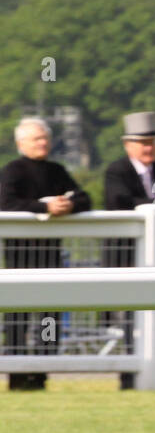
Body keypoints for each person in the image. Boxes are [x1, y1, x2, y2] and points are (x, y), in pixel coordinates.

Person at [0, 117, 92, 390]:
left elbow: (84, 198)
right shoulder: (12, 171)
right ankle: (17, 373)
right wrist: (44, 208)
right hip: (20, 256)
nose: (42, 143)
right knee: (17, 314)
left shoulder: (56, 170)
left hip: (50, 253)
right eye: (36, 139)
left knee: (49, 312)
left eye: (45, 139)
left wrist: (68, 205)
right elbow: (6, 204)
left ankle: (43, 369)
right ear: (21, 144)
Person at [102, 111, 155, 390]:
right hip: (125, 255)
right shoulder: (117, 171)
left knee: (151, 312)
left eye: (151, 142)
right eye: (142, 143)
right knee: (130, 317)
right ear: (128, 145)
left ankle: (148, 369)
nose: (148, 148)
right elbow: (119, 201)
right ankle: (130, 375)